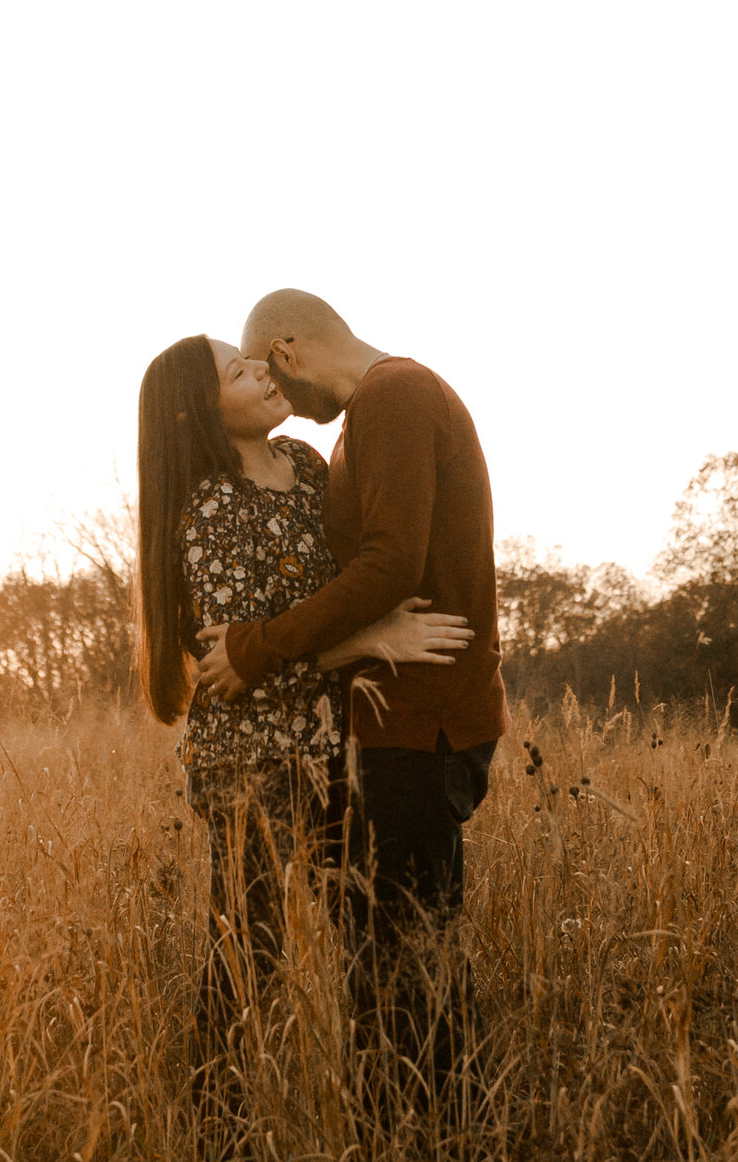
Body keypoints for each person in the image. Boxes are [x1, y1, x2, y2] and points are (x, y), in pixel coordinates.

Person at [134, 333, 473, 1142]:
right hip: (250, 758)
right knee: (248, 956)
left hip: (331, 743)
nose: (262, 369)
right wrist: (371, 639)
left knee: (370, 937)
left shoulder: (308, 466)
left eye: (253, 358)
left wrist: (361, 630)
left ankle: (384, 1119)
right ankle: (219, 1130)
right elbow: (235, 659)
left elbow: (324, 602)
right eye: (237, 370)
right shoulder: (210, 508)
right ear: (201, 409)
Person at [196, 289, 507, 1106]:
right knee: (406, 963)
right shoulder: (374, 412)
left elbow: (391, 562)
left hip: (422, 720)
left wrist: (258, 645)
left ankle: (419, 1127)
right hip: (401, 723)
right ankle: (431, 1123)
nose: (280, 398)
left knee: (403, 975)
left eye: (267, 373)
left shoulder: (394, 395)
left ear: (286, 351)